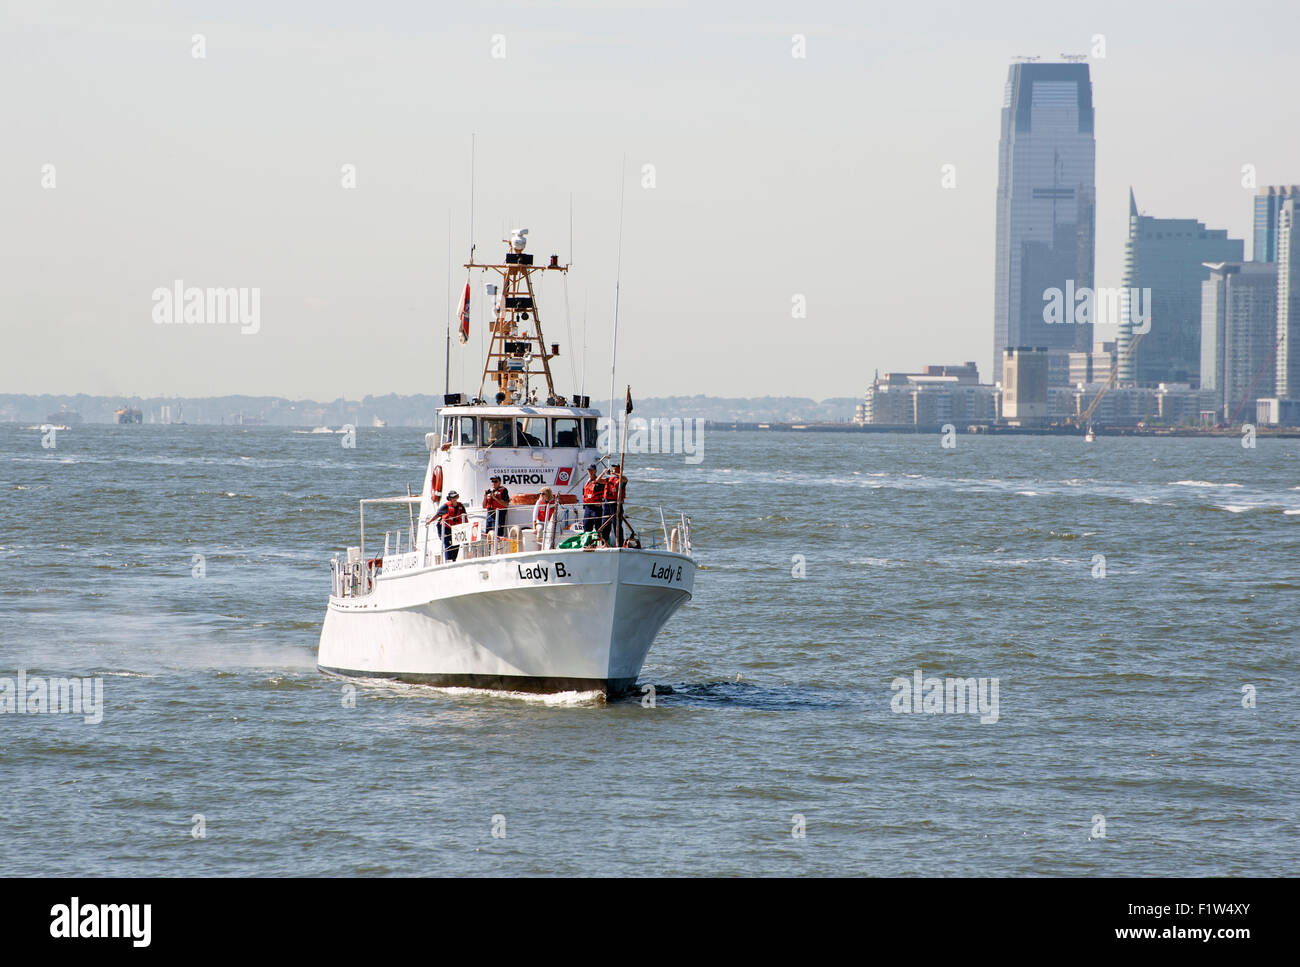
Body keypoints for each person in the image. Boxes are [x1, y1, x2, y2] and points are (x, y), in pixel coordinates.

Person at [426, 490, 467, 562]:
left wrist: (466, 526)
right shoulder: (445, 506)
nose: (454, 499)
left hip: (456, 528)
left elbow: (465, 517)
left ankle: (454, 560)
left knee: (456, 544)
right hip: (445, 528)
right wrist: (430, 521)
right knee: (447, 544)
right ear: (450, 499)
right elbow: (437, 515)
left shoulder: (461, 506)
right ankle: (448, 560)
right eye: (453, 497)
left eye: (455, 497)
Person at [598, 464, 627, 547]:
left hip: (616, 504)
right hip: (607, 504)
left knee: (617, 524)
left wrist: (614, 473)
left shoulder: (622, 479)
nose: (614, 470)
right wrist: (603, 473)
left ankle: (620, 544)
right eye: (614, 469)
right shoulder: (609, 479)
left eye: (616, 469)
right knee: (605, 524)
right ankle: (605, 543)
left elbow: (624, 478)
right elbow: (598, 480)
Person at [581, 465, 604, 533]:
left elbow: (605, 493)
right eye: (589, 470)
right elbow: (584, 494)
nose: (590, 471)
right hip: (588, 507)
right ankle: (588, 543)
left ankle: (601, 542)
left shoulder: (599, 482)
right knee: (586, 525)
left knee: (598, 527)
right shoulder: (587, 482)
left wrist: (602, 502)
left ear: (595, 471)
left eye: (591, 470)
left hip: (596, 508)